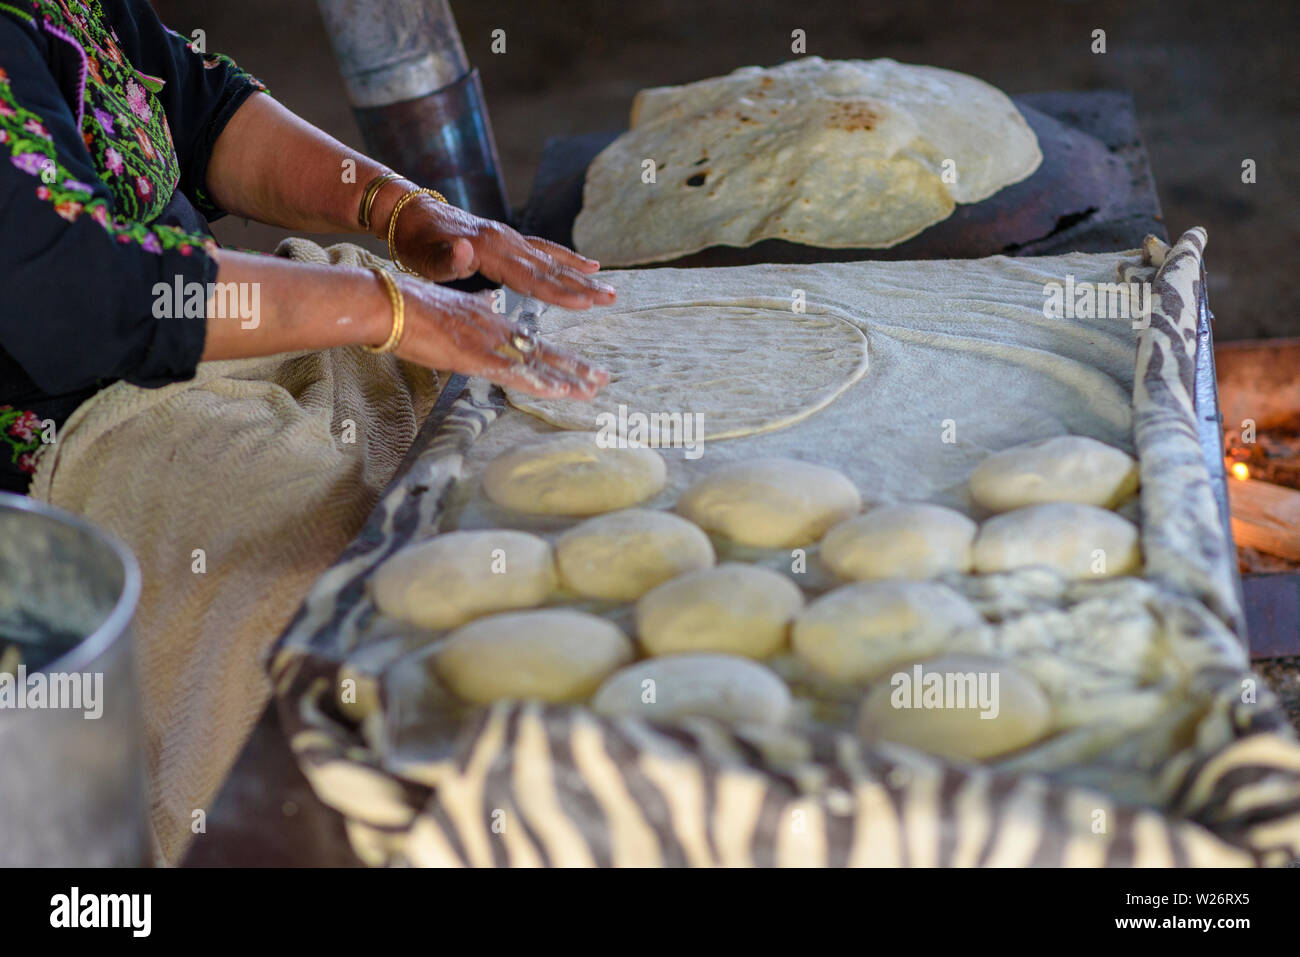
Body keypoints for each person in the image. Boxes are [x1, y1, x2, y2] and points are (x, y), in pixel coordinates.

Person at [0, 0, 611, 493]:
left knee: (492, 408)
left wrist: (397, 205)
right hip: (79, 436)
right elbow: (87, 293)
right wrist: (382, 307)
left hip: (210, 352)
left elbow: (197, 110)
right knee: (374, 539)